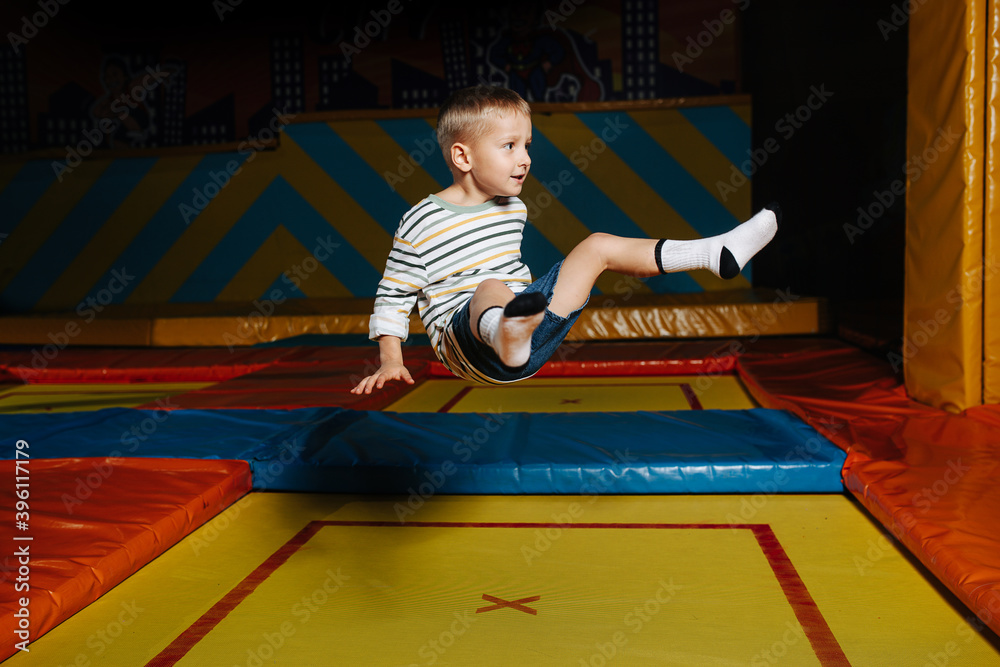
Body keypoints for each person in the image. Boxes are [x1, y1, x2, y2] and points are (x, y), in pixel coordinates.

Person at [351, 85, 778, 394]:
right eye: (509, 146)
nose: (525, 158)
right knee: (490, 288)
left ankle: (715, 252)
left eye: (527, 145)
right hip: (468, 347)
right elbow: (393, 295)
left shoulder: (512, 208)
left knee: (598, 246)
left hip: (530, 336)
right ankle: (504, 330)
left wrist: (526, 313)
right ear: (462, 156)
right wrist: (392, 359)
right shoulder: (422, 219)